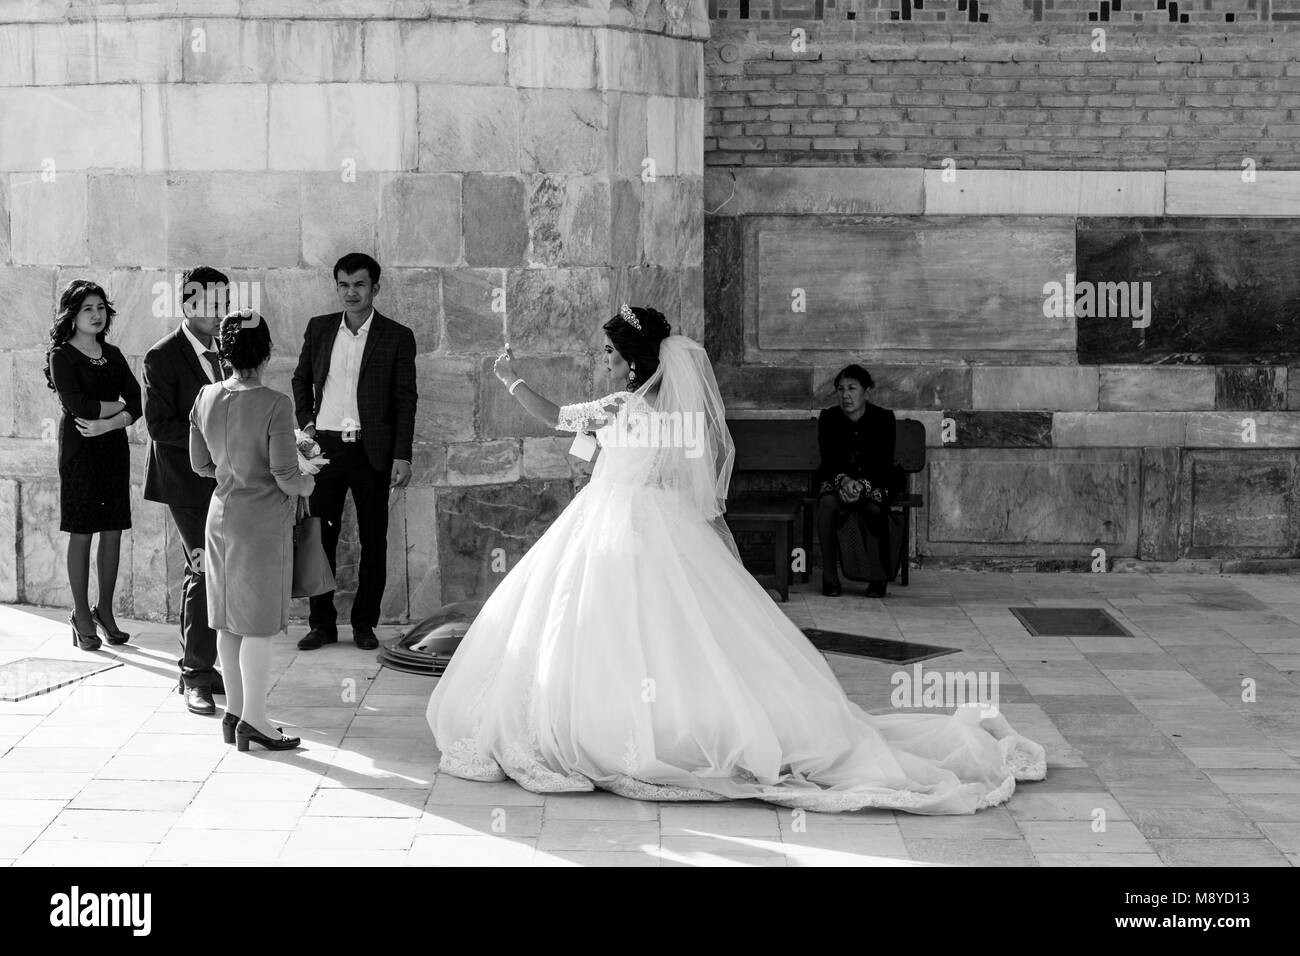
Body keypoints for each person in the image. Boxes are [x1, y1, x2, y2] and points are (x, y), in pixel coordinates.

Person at [425, 305, 1046, 814]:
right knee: (673, 633)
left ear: (634, 361)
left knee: (610, 626)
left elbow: (555, 417)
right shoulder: (671, 410)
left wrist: (507, 377)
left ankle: (620, 727)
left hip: (618, 521)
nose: (604, 361)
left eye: (610, 353)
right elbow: (666, 471)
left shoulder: (624, 408)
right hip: (656, 523)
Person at [189, 310, 316, 752]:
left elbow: (200, 464)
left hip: (219, 516)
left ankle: (236, 714)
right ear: (265, 353)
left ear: (223, 351)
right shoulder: (276, 403)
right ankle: (257, 720)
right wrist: (309, 480)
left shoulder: (205, 396)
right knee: (259, 626)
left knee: (228, 623)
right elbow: (285, 474)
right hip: (260, 524)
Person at [291, 253, 416, 652]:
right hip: (325, 447)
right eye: (344, 284)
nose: (351, 292)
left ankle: (365, 624)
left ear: (375, 288)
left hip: (371, 451)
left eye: (359, 284)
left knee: (373, 540)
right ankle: (321, 624)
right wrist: (307, 424)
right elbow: (301, 379)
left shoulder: (397, 336)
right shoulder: (321, 328)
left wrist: (402, 455)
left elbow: (405, 400)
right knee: (319, 538)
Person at [143, 267, 230, 714]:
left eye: (225, 304)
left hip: (225, 480)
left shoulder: (226, 351)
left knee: (216, 570)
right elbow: (158, 426)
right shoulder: (161, 356)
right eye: (213, 306)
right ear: (188, 306)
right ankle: (194, 674)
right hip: (183, 480)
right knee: (202, 569)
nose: (221, 314)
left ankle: (206, 666)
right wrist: (213, 439)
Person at [45, 280, 142, 652]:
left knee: (114, 529)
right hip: (79, 451)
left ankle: (105, 609)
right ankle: (81, 614)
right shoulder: (62, 356)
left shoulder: (113, 353)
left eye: (100, 307)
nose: (96, 315)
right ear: (72, 314)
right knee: (83, 530)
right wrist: (118, 408)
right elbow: (79, 407)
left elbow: (137, 400)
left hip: (112, 448)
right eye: (88, 308)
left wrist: (111, 422)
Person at [814, 364, 900, 598]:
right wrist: (844, 482)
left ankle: (877, 575)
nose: (846, 395)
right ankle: (830, 575)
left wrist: (862, 485)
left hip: (873, 481)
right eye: (841, 389)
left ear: (867, 392)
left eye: (852, 388)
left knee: (874, 507)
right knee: (827, 504)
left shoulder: (884, 419)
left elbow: (884, 462)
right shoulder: (829, 418)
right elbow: (829, 460)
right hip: (837, 480)